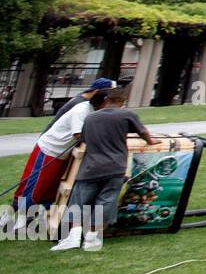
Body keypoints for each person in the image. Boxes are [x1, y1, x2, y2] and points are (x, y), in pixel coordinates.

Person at [51, 89, 156, 252]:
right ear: (123, 101)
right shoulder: (127, 115)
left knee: (79, 202)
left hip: (90, 168)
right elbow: (143, 132)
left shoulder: (91, 117)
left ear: (106, 99)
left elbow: (83, 138)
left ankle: (73, 236)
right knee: (105, 202)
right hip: (115, 167)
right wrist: (151, 141)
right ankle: (92, 239)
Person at [12, 78, 116, 211]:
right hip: (50, 149)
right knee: (35, 187)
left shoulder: (94, 110)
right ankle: (19, 214)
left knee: (50, 190)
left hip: (63, 153)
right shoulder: (81, 108)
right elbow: (78, 134)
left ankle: (39, 217)